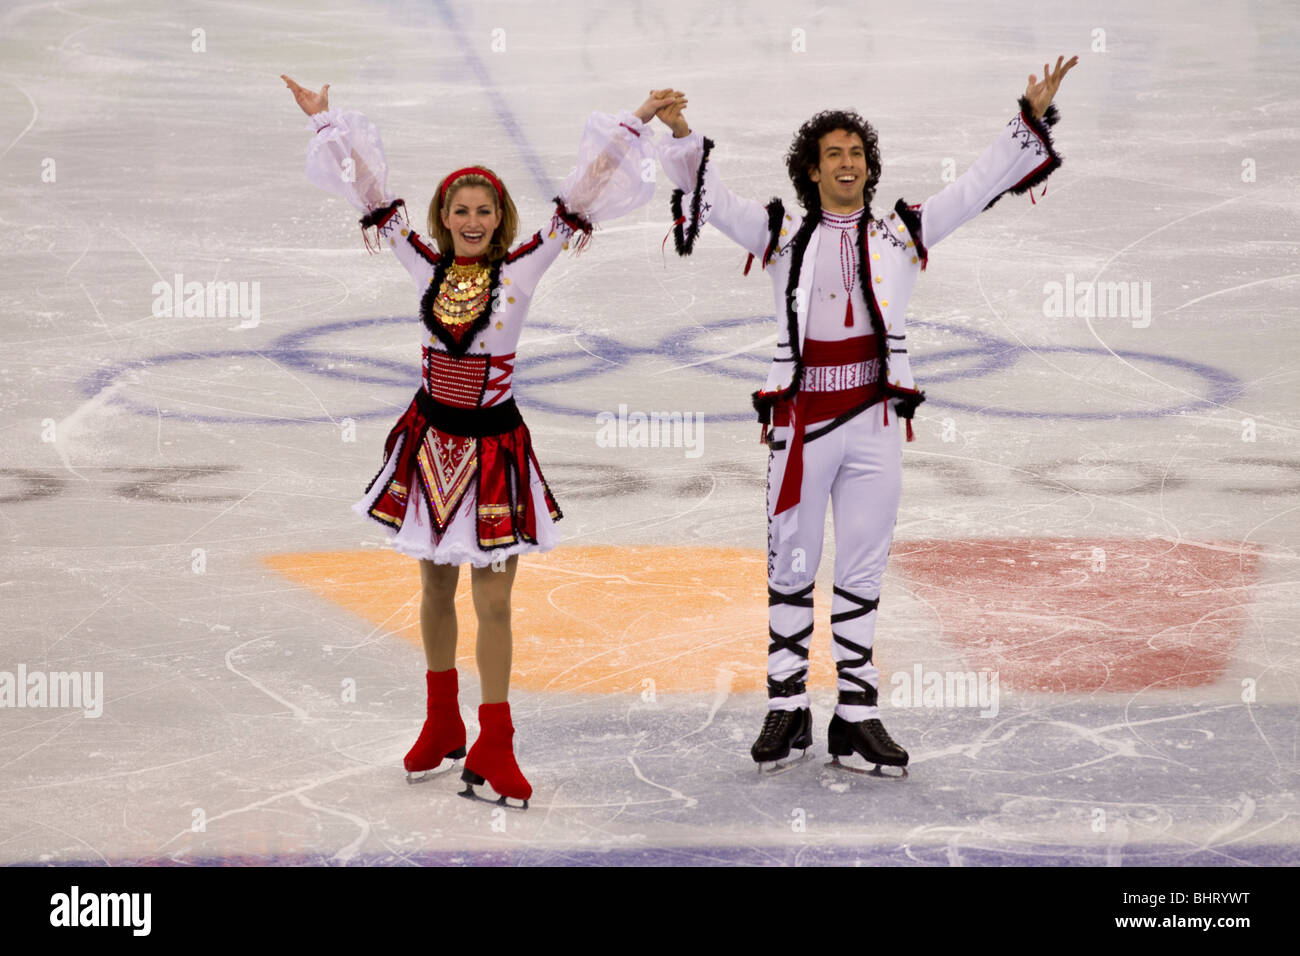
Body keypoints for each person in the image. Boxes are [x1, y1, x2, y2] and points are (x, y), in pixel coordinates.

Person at [653, 57, 1077, 775]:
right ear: (812, 171)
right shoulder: (781, 234)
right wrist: (683, 132)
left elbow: (976, 188)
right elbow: (715, 202)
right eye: (833, 155)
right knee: (792, 562)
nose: (847, 163)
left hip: (877, 425)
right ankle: (787, 708)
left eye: (856, 154)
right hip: (799, 425)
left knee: (861, 564)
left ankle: (857, 714)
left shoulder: (901, 234)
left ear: (868, 167)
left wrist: (1029, 119)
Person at [283, 75, 674, 806]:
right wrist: (327, 122)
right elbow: (371, 196)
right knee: (433, 586)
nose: (471, 219)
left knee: (494, 604)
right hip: (430, 445)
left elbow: (585, 192)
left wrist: (638, 119)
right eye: (459, 210)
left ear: (500, 218)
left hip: (495, 452)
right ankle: (442, 721)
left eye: (483, 209)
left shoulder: (525, 266)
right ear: (444, 216)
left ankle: (496, 740)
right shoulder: (426, 266)